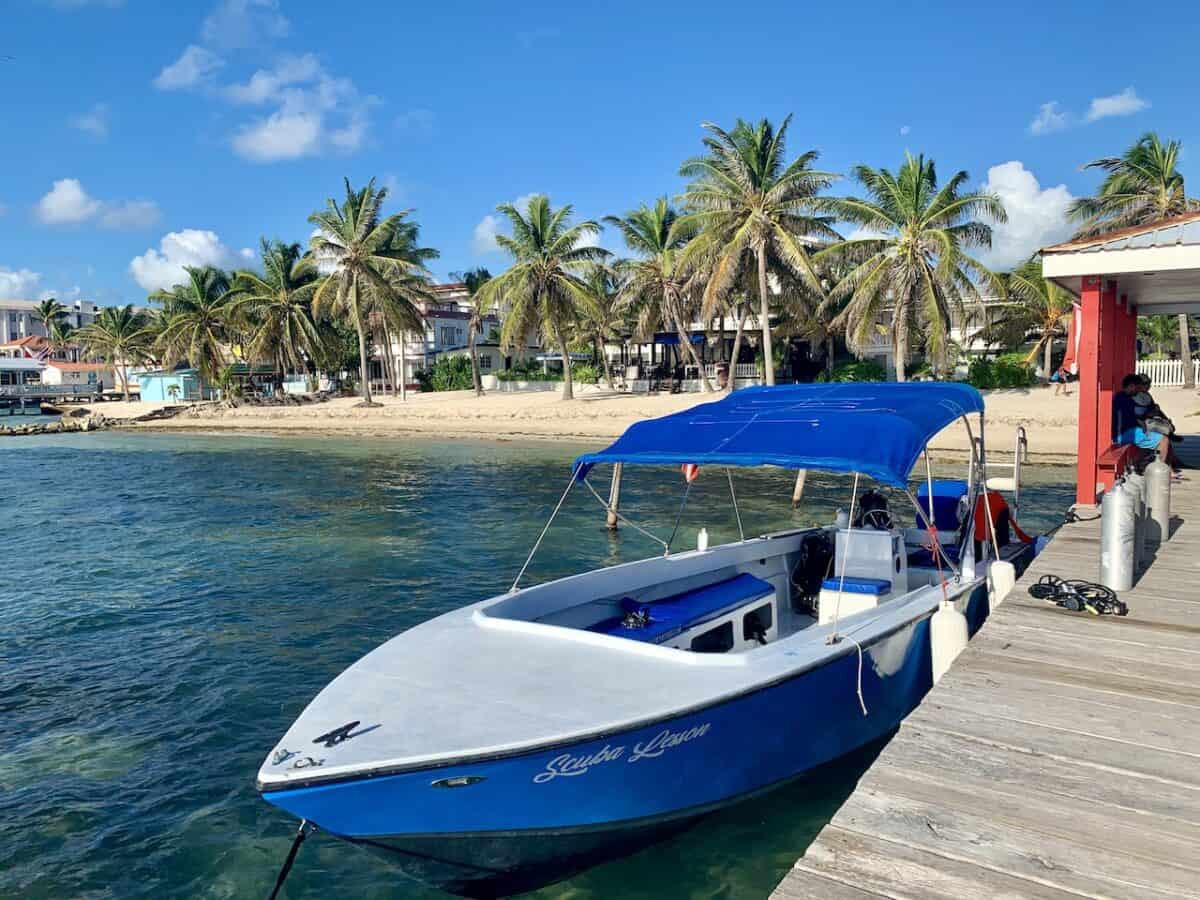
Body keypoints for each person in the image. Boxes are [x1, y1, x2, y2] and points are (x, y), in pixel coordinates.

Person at [1114, 374, 1183, 478]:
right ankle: (1160, 473)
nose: (1139, 391)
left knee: (1153, 440)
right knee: (1163, 440)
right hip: (1123, 434)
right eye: (1138, 387)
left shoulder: (1121, 397)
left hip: (1128, 431)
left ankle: (1136, 465)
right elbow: (1136, 416)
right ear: (1132, 386)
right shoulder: (1124, 399)